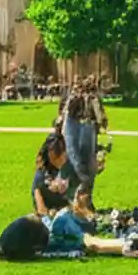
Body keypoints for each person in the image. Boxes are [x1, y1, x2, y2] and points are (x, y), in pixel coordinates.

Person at [60, 76, 107, 210]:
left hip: (89, 140)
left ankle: (85, 201)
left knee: (89, 170)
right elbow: (63, 122)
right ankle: (72, 203)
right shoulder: (71, 101)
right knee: (77, 169)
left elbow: (102, 121)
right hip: (73, 141)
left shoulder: (93, 100)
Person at [32, 133, 70, 220]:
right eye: (56, 158)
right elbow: (40, 207)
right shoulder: (41, 175)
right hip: (50, 215)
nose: (60, 160)